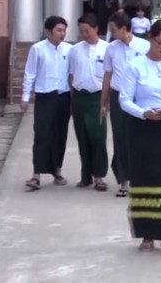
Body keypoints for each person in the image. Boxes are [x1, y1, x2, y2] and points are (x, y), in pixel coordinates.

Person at [119, 20, 161, 255]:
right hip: (142, 127)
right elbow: (125, 100)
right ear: (151, 37)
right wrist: (144, 113)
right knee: (145, 178)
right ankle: (147, 234)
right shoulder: (136, 66)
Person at [101, 12, 150, 197]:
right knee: (120, 138)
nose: (112, 33)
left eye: (114, 30)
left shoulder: (144, 46)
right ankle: (123, 181)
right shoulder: (111, 49)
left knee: (139, 138)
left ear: (125, 28)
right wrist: (103, 103)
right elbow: (107, 75)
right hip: (118, 97)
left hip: (139, 98)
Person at [22, 16, 73, 191]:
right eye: (59, 30)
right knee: (42, 134)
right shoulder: (37, 49)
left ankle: (57, 171)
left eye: (64, 30)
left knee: (60, 135)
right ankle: (36, 175)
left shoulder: (69, 49)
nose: (62, 33)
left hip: (63, 97)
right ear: (48, 31)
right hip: (44, 96)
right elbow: (30, 73)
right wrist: (25, 96)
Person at [69, 14, 110, 191]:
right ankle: (85, 176)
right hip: (79, 97)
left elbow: (111, 76)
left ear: (96, 29)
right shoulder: (75, 50)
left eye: (87, 30)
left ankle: (99, 176)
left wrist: (105, 102)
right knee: (82, 137)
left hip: (98, 97)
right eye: (81, 31)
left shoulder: (108, 49)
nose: (84, 34)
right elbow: (71, 75)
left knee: (98, 137)